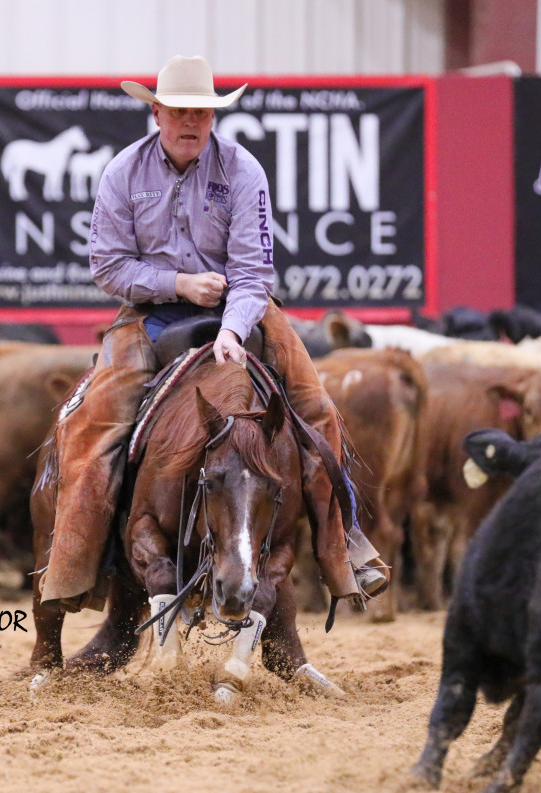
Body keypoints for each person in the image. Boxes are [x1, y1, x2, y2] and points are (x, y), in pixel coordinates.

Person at [39, 54, 388, 613]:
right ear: (156, 113)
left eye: (201, 112)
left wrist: (232, 327)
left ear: (213, 117)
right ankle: (73, 568)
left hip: (242, 310)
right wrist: (177, 282)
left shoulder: (243, 170)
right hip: (150, 316)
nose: (190, 123)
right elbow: (107, 266)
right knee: (89, 424)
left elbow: (254, 273)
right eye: (179, 111)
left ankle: (344, 549)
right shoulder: (123, 173)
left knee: (317, 409)